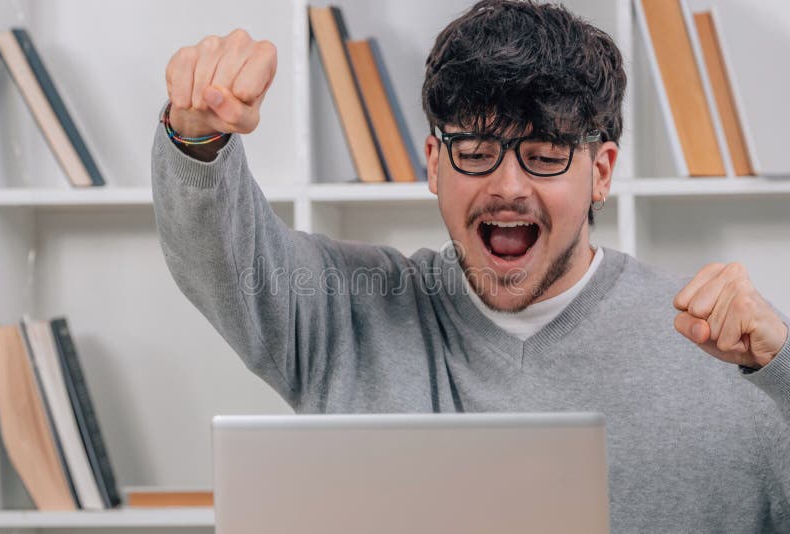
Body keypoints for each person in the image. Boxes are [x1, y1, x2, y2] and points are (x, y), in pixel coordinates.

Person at [152, 0, 790, 531]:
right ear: (434, 163)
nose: (508, 187)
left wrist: (784, 369)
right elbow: (223, 261)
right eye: (477, 152)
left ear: (601, 173)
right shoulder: (347, 311)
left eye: (545, 155)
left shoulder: (724, 348)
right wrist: (199, 132)